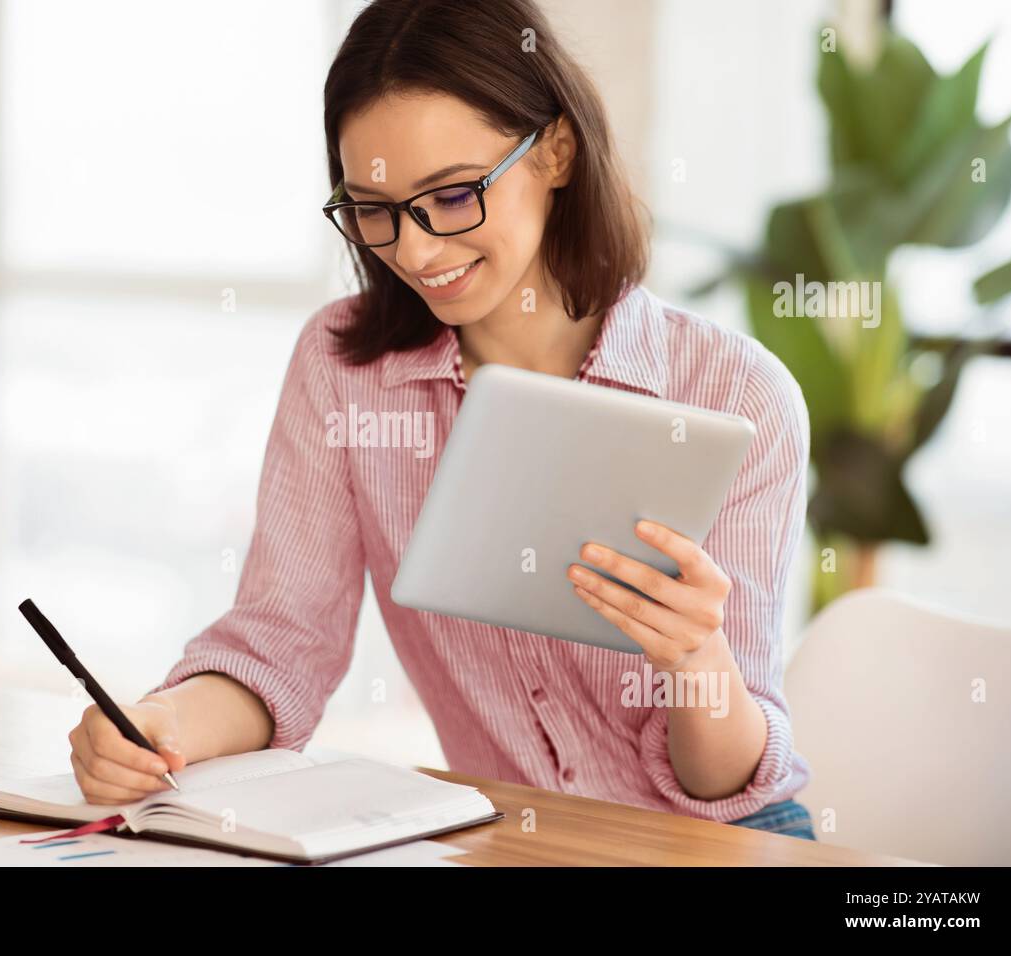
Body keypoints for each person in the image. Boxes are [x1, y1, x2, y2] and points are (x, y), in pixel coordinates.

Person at [68, 0, 816, 841]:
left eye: (454, 195)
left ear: (557, 151)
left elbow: (728, 783)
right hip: (509, 840)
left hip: (714, 846)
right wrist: (161, 726)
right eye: (374, 208)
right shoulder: (344, 371)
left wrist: (695, 659)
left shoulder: (733, 394)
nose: (416, 251)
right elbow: (280, 645)